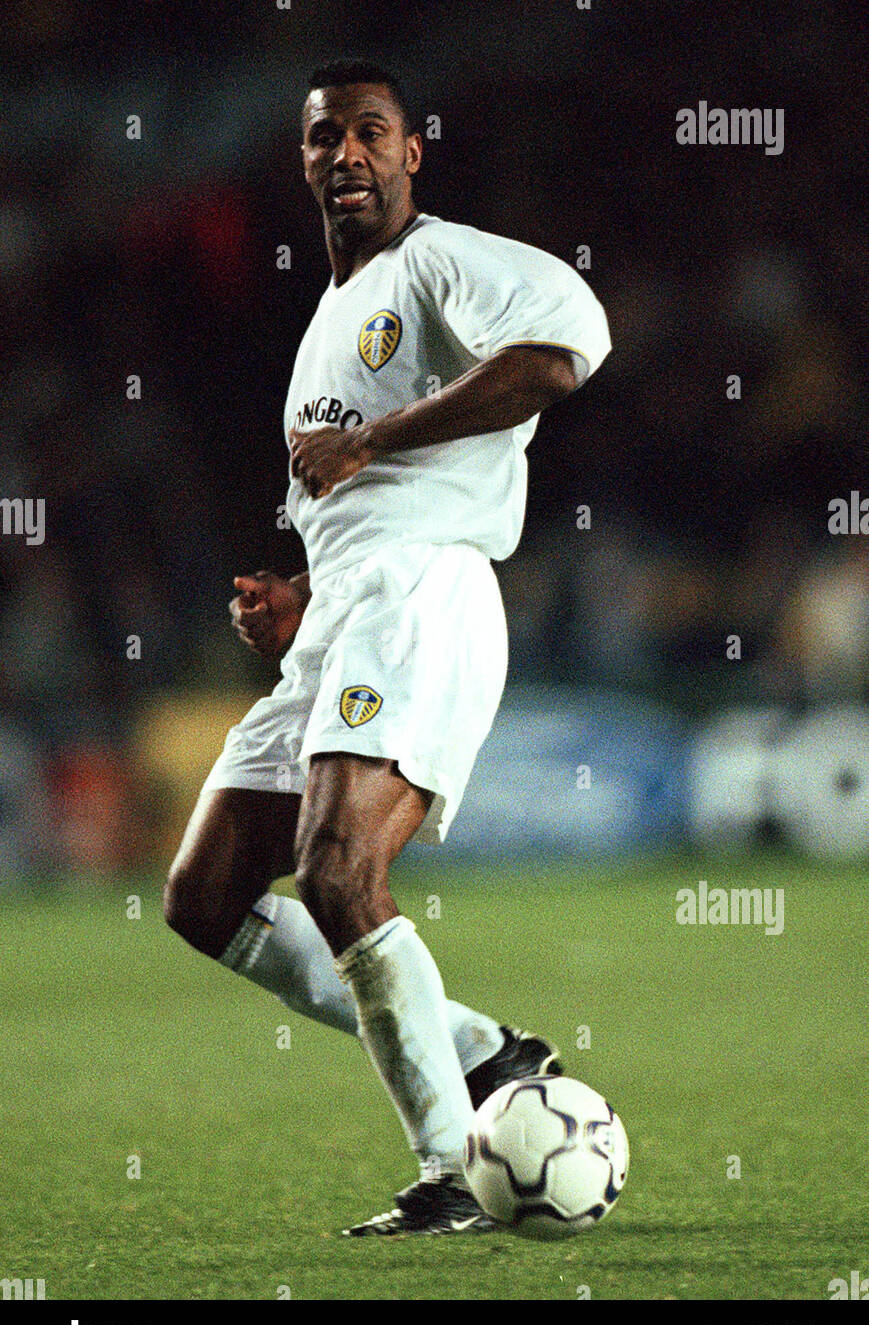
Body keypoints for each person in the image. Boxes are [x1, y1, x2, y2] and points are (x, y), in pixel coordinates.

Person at [164, 60, 611, 1235]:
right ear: (302, 159)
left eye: (370, 134)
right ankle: (486, 1054)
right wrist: (300, 603)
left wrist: (378, 436)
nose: (345, 155)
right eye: (324, 139)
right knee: (204, 895)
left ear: (413, 152)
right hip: (354, 610)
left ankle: (450, 1169)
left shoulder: (437, 261)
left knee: (336, 873)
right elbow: (358, 496)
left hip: (424, 598)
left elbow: (560, 353)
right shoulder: (329, 315)